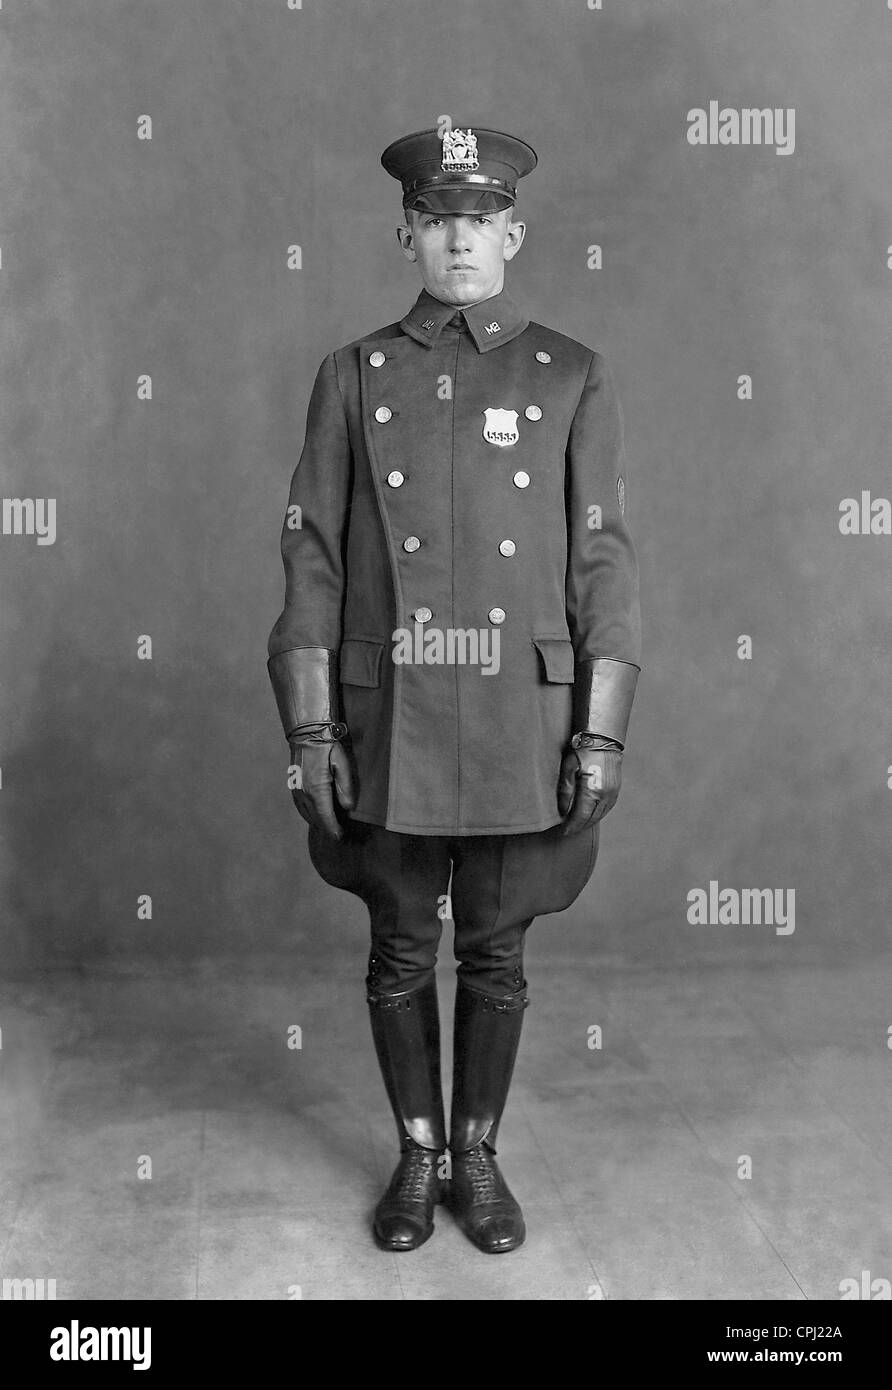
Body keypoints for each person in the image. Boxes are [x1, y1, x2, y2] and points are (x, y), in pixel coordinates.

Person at [267, 124, 641, 1254]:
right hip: (390, 714)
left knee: (496, 947)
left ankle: (476, 1155)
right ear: (408, 236)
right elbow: (312, 558)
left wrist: (602, 730)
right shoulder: (352, 372)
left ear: (514, 234)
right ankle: (415, 1148)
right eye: (439, 220)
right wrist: (311, 724)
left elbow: (602, 559)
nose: (460, 240)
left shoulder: (569, 371)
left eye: (481, 220)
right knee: (395, 944)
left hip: (523, 716)